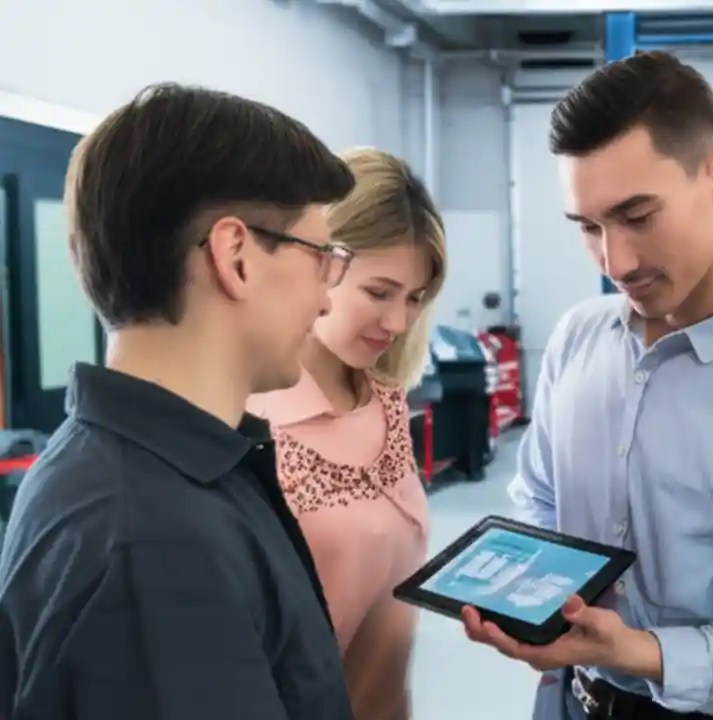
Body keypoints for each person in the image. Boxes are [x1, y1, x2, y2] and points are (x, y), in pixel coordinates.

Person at [461, 51, 713, 720]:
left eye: (639, 217)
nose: (615, 261)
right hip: (564, 700)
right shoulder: (575, 341)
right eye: (589, 228)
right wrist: (529, 597)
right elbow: (537, 498)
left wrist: (636, 651)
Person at [0, 84, 359, 719]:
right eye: (322, 259)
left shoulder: (138, 473)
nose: (328, 299)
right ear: (236, 257)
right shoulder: (152, 546)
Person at [247, 147, 446, 720]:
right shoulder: (251, 419)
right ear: (321, 264)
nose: (399, 322)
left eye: (414, 298)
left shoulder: (388, 406)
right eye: (379, 293)